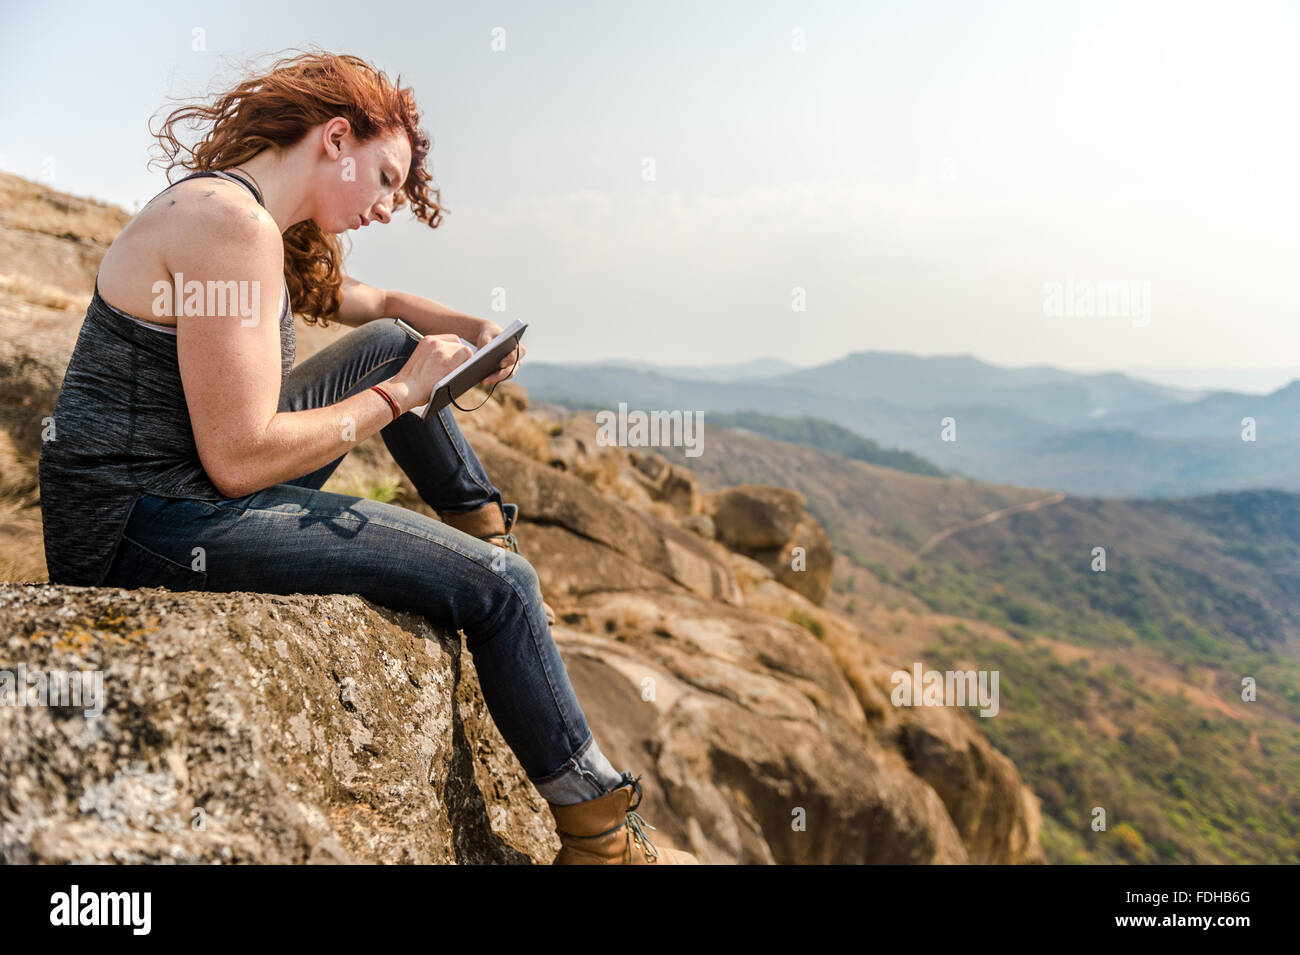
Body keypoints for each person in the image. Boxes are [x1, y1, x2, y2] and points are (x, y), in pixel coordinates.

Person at [37, 48, 697, 865]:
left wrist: (470, 332)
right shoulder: (229, 228)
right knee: (502, 592)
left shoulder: (245, 217)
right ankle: (600, 835)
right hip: (145, 526)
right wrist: (403, 395)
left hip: (172, 495)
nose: (389, 207)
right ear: (337, 138)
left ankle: (482, 529)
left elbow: (378, 307)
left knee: (389, 343)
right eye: (385, 179)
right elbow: (239, 461)